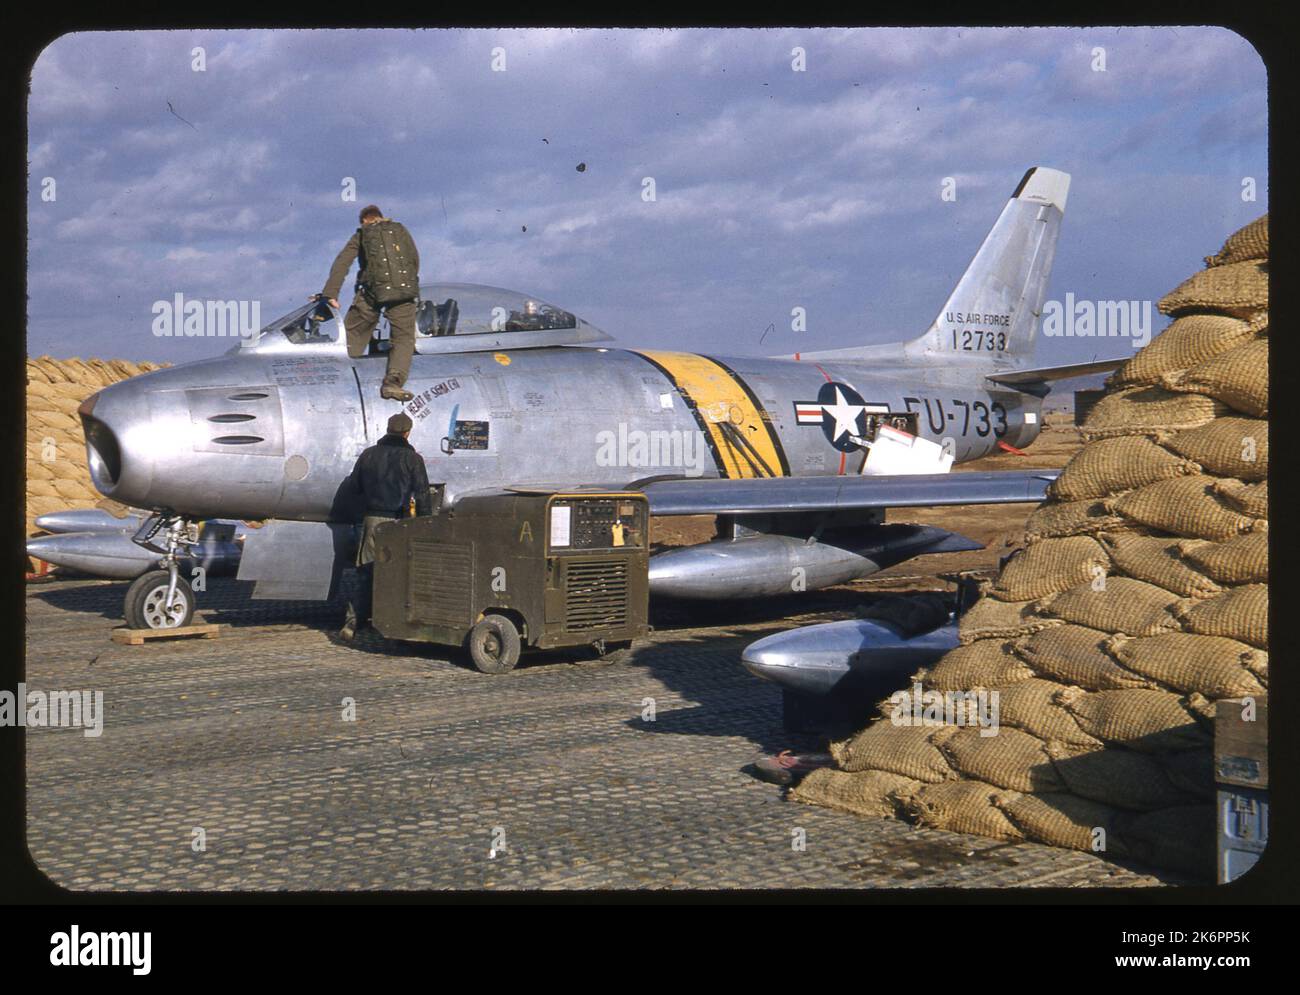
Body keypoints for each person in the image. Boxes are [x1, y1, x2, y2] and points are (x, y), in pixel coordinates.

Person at [339, 412, 433, 640]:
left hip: (371, 521)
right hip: (399, 524)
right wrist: (425, 524)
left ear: (388, 429)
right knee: (397, 574)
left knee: (365, 573)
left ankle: (352, 623)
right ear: (407, 433)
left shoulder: (368, 455)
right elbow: (422, 494)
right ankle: (391, 625)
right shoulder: (413, 459)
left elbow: (354, 487)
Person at [316, 204, 420, 402]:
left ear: (364, 221)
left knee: (354, 331)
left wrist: (330, 294)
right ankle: (393, 382)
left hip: (373, 293)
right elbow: (414, 259)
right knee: (404, 339)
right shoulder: (400, 229)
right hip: (404, 292)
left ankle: (336, 376)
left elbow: (342, 263)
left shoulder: (362, 234)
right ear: (381, 217)